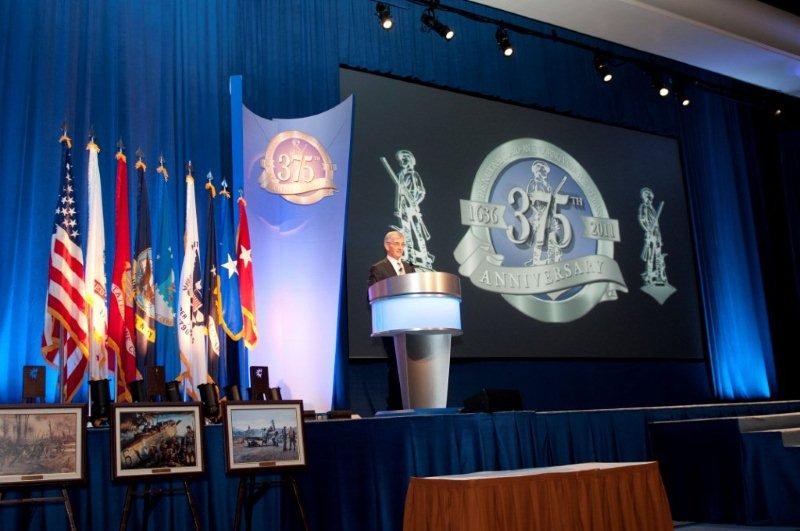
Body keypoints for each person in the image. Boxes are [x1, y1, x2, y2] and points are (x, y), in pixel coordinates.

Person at [368, 230, 416, 409]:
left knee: (410, 367)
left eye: (402, 244)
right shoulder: (378, 268)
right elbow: (372, 296)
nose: (400, 248)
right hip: (391, 325)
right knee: (396, 367)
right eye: (397, 243)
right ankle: (396, 406)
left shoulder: (410, 267)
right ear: (387, 245)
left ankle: (411, 403)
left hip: (410, 326)